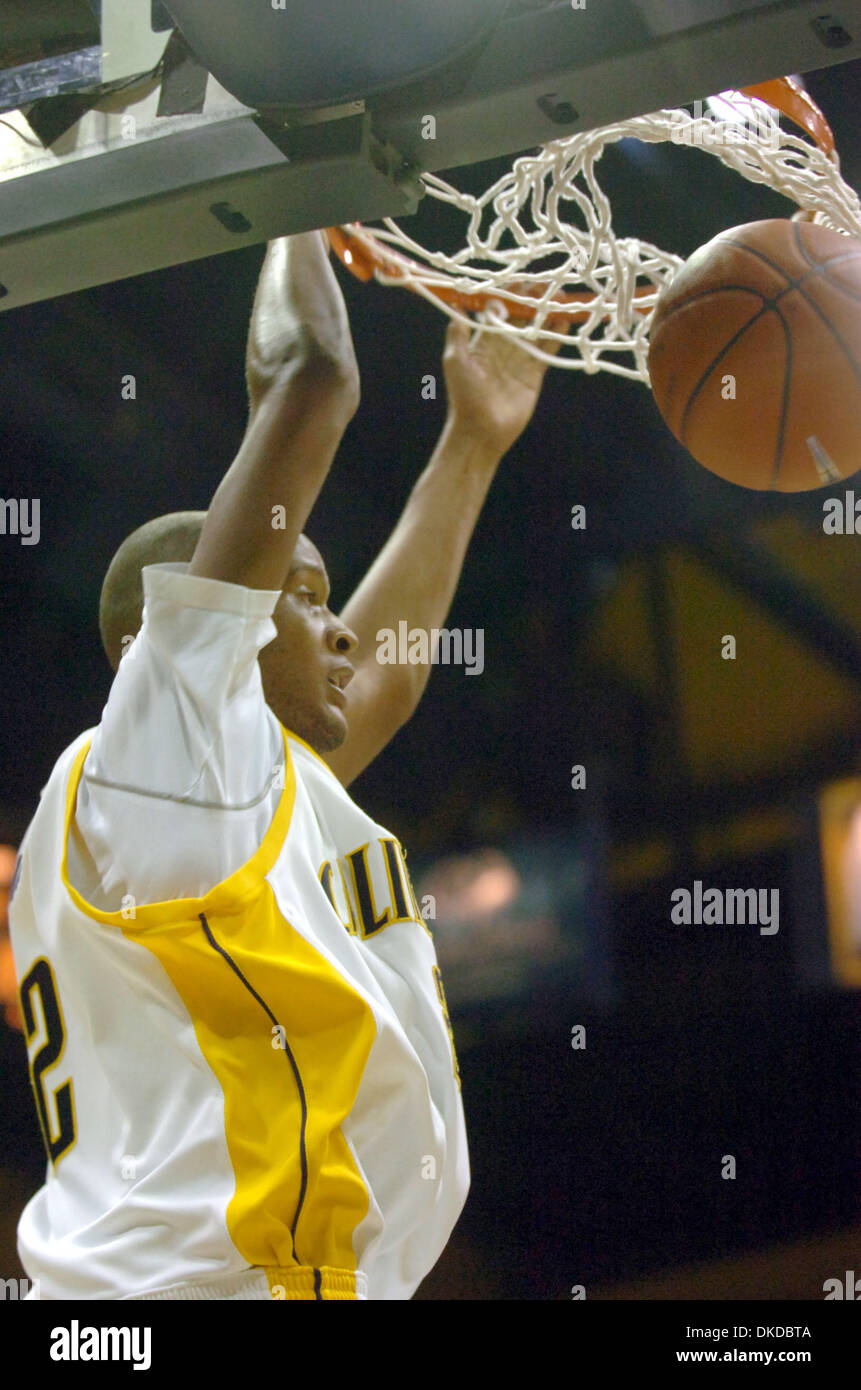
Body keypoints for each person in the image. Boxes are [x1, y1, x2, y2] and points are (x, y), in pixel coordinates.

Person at [8, 231, 558, 1301]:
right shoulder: (150, 748)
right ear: (159, 651)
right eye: (302, 598)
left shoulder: (218, 797)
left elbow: (386, 676)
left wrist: (474, 443)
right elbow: (312, 381)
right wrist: (298, 195)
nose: (338, 629)